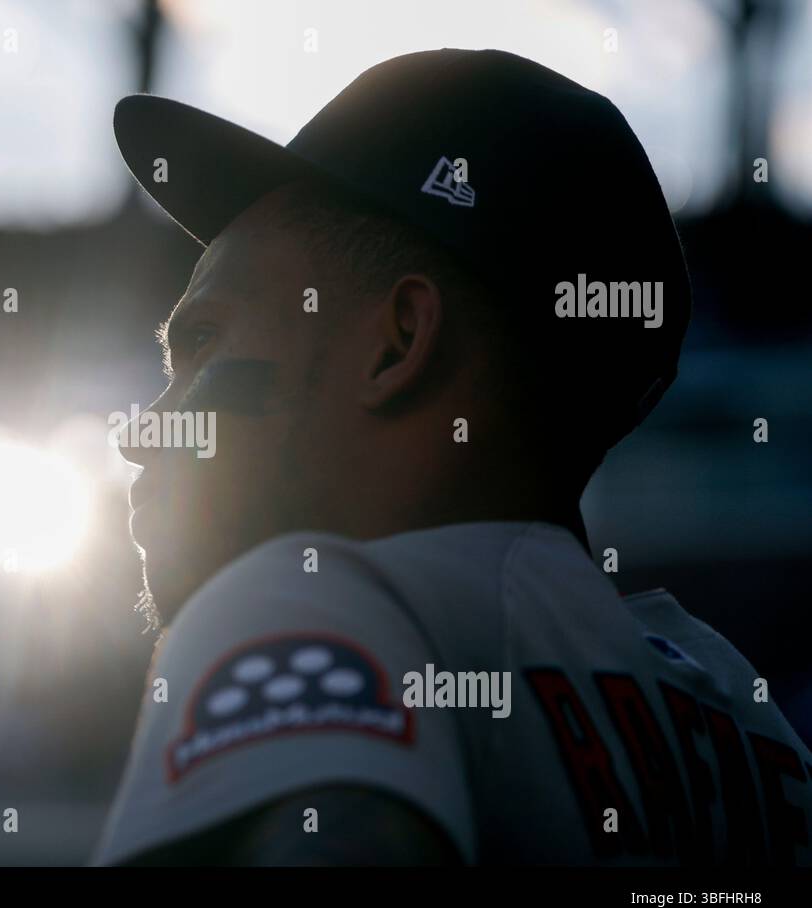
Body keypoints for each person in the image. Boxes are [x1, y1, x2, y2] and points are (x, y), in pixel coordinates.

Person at [93, 49, 812, 865]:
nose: (141, 429)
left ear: (398, 342)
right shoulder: (757, 736)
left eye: (200, 341)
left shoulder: (304, 611)